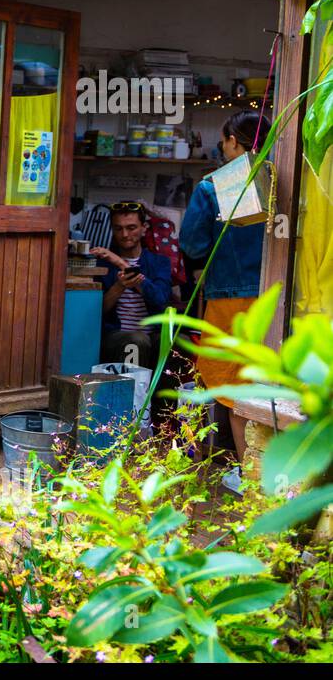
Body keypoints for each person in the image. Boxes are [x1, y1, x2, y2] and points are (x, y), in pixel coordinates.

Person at [180, 109, 272, 467]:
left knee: (234, 388)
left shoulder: (214, 186)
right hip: (278, 300)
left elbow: (192, 245)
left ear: (234, 142)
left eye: (224, 142)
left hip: (230, 299)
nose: (222, 149)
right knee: (266, 388)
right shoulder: (286, 179)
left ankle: (246, 472)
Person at [91, 201, 173, 369]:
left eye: (131, 228)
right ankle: (134, 395)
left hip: (152, 333)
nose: (125, 234)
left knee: (178, 342)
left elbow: (160, 301)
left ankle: (164, 396)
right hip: (116, 335)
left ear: (144, 228)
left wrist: (122, 264)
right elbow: (97, 312)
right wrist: (119, 286)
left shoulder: (159, 263)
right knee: (137, 340)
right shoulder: (103, 265)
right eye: (118, 228)